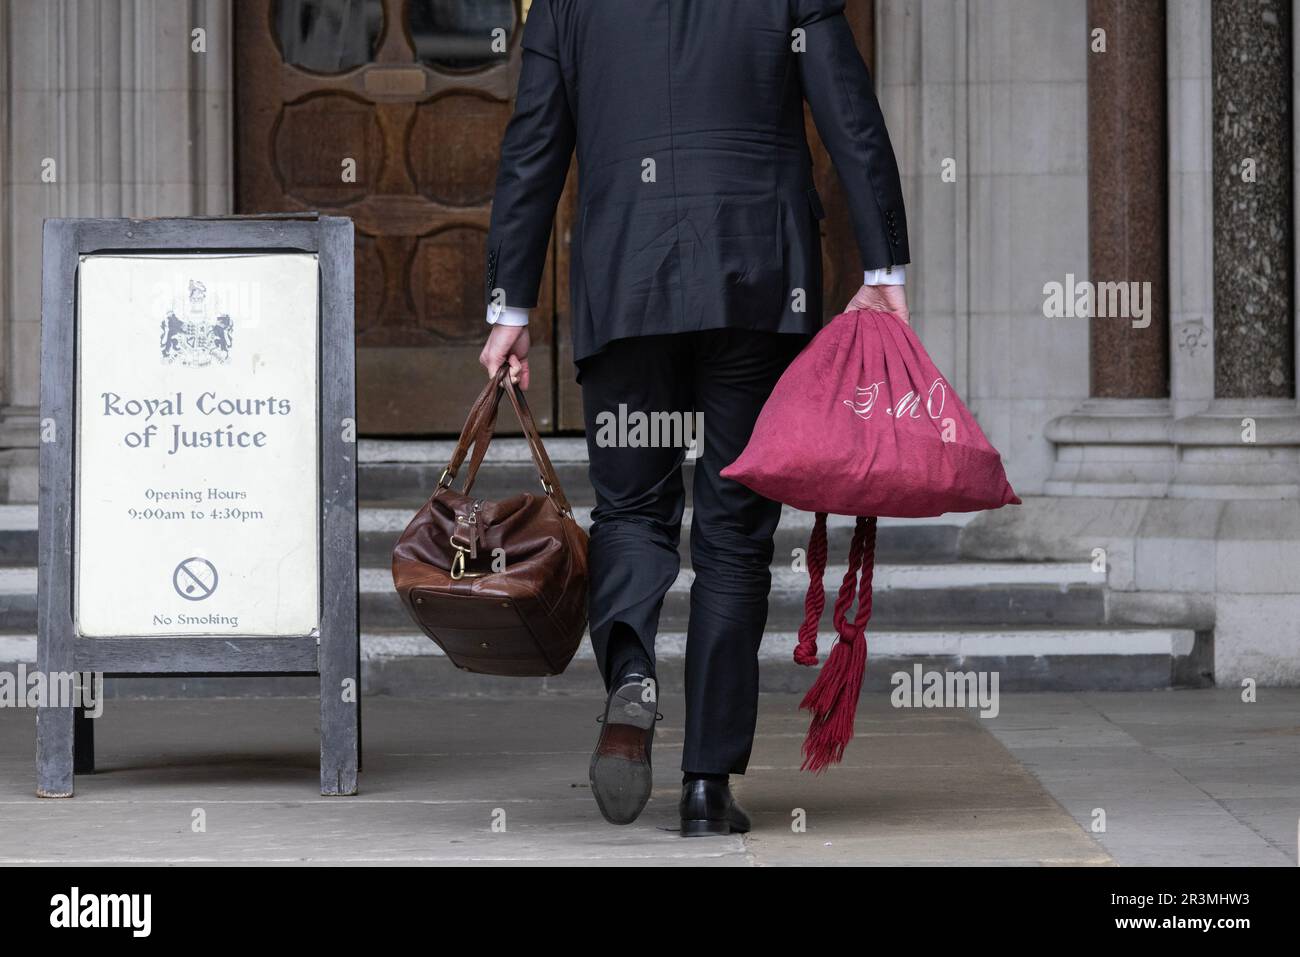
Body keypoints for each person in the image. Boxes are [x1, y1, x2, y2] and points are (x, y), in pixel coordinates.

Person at [479, 0, 909, 835]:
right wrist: (884, 261)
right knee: (735, 533)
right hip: (758, 282)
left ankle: (631, 674)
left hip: (627, 281)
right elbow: (848, 110)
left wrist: (510, 305)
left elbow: (531, 149)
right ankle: (708, 783)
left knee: (633, 509)